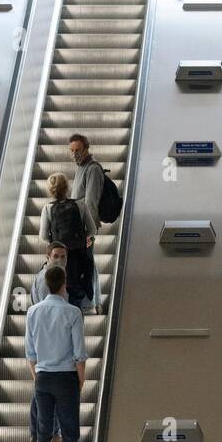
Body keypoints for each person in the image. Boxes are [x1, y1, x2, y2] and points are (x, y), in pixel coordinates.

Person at [25, 264, 88, 442]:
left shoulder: (33, 312)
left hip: (43, 377)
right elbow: (79, 354)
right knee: (70, 434)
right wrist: (80, 381)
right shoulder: (73, 313)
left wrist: (38, 377)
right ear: (64, 284)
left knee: (43, 434)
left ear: (45, 284)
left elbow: (30, 353)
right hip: (66, 378)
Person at [68, 133, 122, 314]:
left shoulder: (92, 169)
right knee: (87, 264)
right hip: (78, 228)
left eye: (78, 150)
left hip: (84, 229)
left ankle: (92, 303)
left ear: (86, 149)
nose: (74, 154)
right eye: (72, 150)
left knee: (86, 265)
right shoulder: (80, 168)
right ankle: (94, 302)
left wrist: (89, 233)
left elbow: (91, 202)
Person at [26, 242, 70, 442]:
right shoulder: (47, 282)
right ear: (48, 256)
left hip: (45, 346)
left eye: (63, 256)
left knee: (41, 394)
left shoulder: (52, 277)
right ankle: (53, 436)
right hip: (49, 348)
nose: (60, 260)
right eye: (56, 256)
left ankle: (36, 436)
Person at [39, 171, 97, 312]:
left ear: (50, 190)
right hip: (79, 260)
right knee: (76, 301)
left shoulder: (47, 209)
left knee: (56, 295)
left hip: (58, 263)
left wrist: (56, 243)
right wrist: (82, 239)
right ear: (67, 188)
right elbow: (92, 230)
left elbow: (43, 236)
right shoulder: (80, 205)